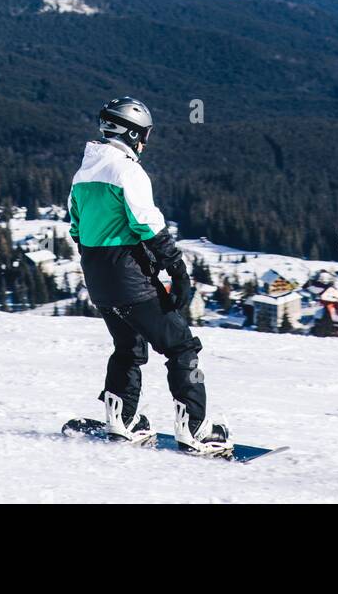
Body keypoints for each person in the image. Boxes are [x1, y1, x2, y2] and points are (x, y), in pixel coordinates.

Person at [68, 97, 230, 455]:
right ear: (131, 133)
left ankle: (121, 421)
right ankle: (195, 430)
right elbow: (147, 224)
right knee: (181, 347)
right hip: (131, 280)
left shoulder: (83, 175)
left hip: (99, 280)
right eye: (144, 134)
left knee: (128, 348)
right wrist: (177, 269)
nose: (145, 142)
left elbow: (77, 229)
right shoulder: (127, 171)